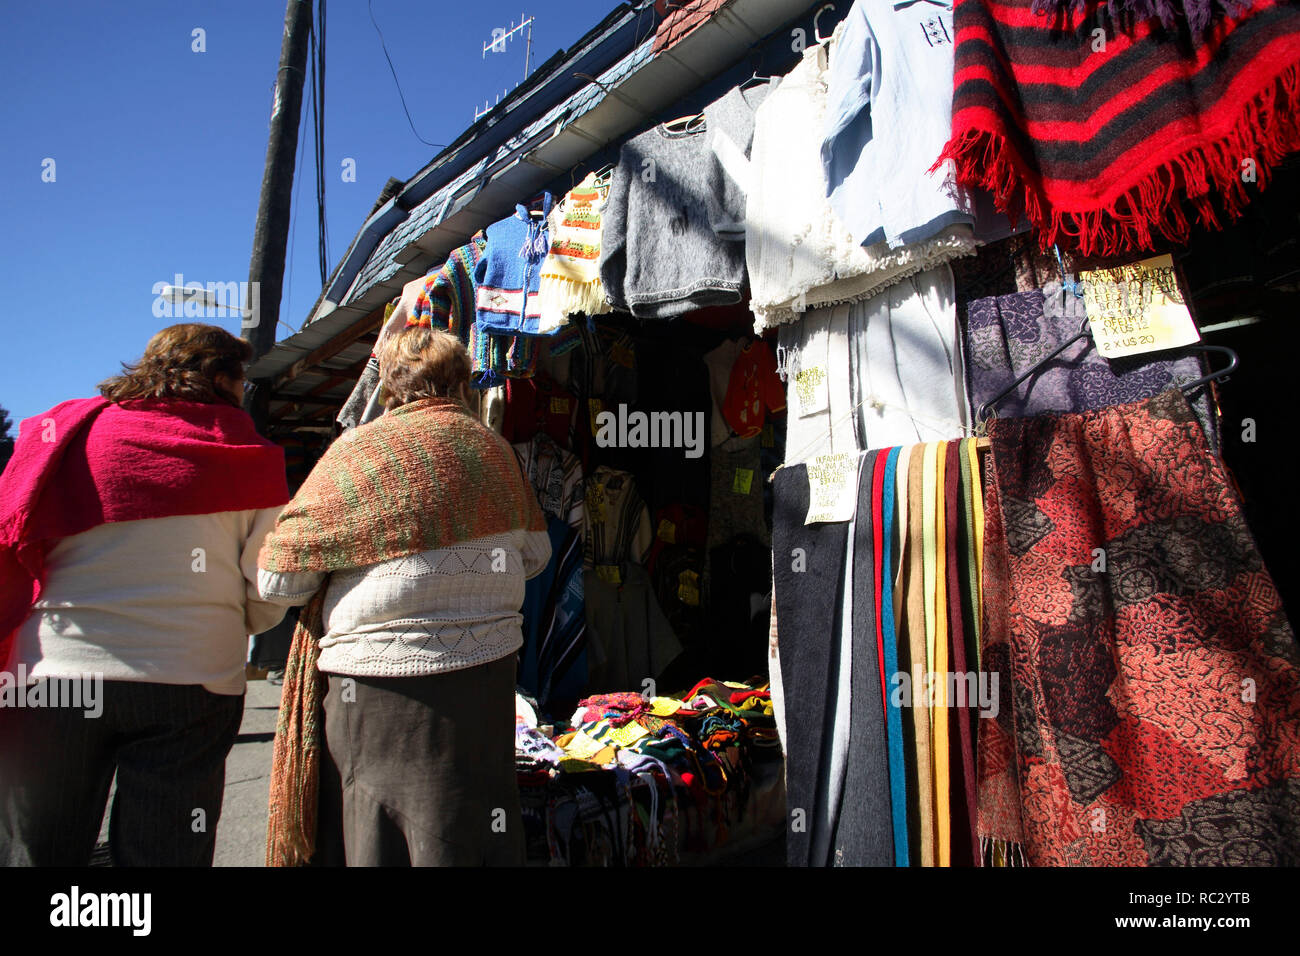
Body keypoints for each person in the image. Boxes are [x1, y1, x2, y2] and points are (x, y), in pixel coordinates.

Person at [258, 326, 550, 867]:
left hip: (374, 694)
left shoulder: (355, 454)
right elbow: (535, 557)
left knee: (376, 838)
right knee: (470, 832)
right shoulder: (496, 452)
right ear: (464, 383)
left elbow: (280, 583)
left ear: (387, 386)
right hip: (485, 681)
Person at [0, 323, 290, 866]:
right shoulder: (249, 452)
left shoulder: (71, 436)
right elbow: (268, 581)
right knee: (166, 848)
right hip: (192, 675)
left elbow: (16, 535)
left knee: (39, 847)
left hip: (56, 672)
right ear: (225, 379)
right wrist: (232, 621)